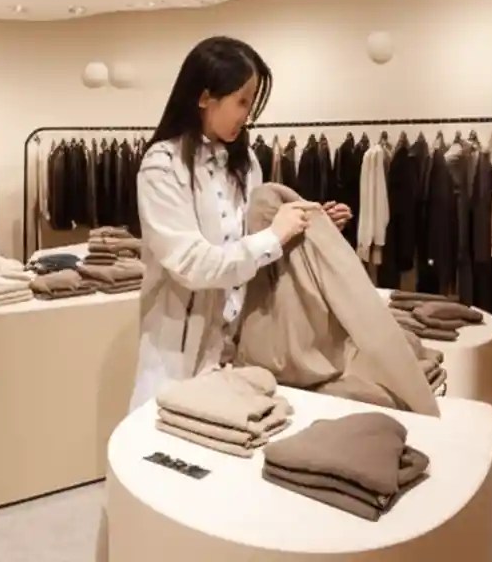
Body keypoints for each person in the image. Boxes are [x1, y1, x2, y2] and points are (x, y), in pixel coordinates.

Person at [129, 36, 352, 410]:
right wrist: (275, 235)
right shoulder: (161, 167)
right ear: (204, 97)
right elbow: (193, 264)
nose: (247, 114)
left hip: (244, 350)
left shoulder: (245, 162)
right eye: (242, 101)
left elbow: (254, 249)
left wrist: (305, 229)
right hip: (178, 354)